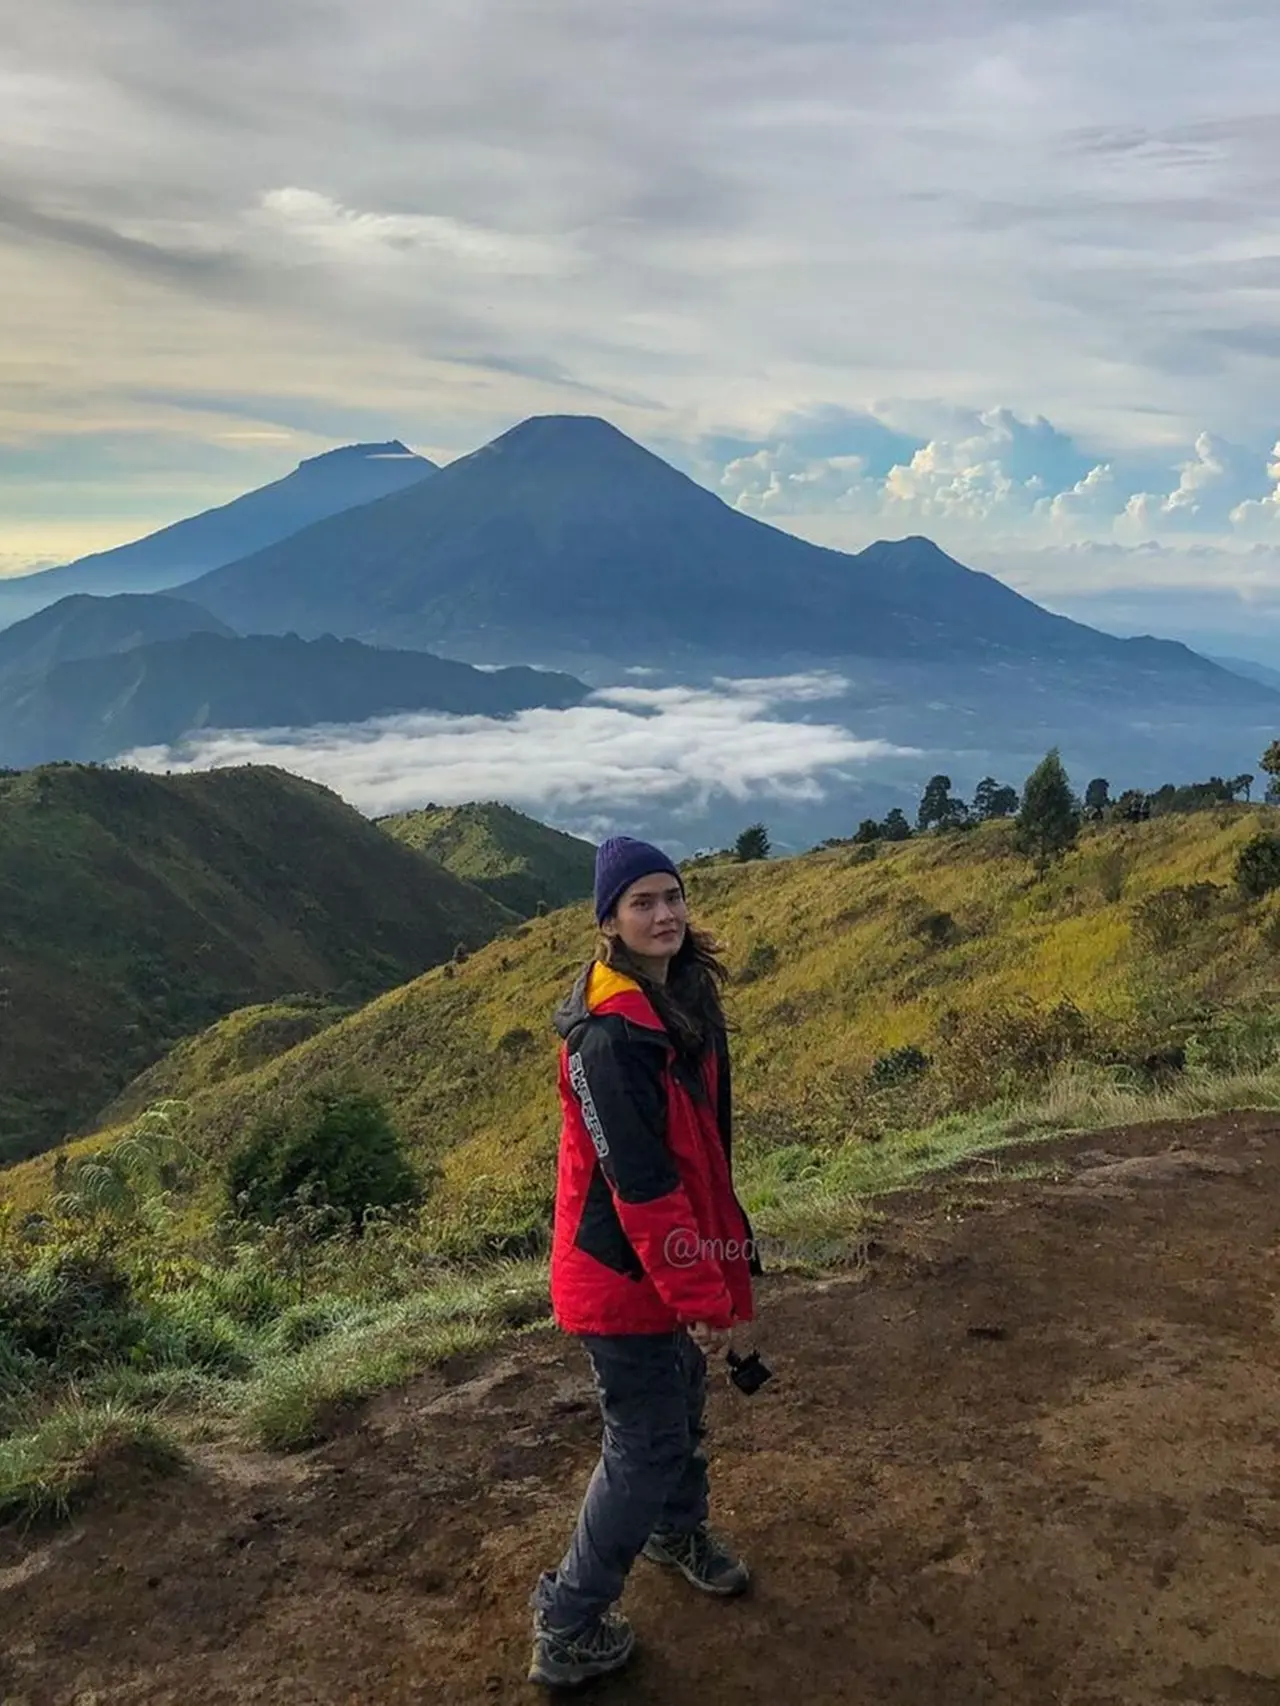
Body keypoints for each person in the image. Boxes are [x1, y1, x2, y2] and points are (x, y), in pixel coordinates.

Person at [528, 836, 761, 1689]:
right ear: (610, 921)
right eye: (642, 903)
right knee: (646, 1440)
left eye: (673, 896)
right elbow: (644, 1187)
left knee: (681, 1403)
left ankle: (675, 1529)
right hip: (620, 1274)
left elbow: (705, 1154)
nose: (664, 915)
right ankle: (567, 1622)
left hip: (675, 1254)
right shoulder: (606, 1040)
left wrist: (720, 1264)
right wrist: (701, 1295)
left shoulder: (685, 999)